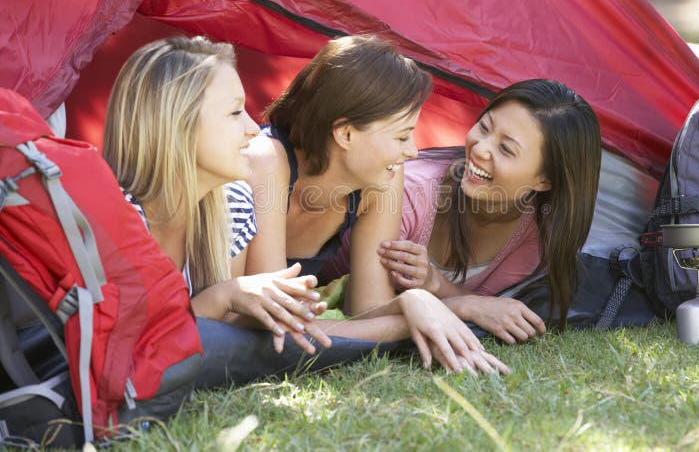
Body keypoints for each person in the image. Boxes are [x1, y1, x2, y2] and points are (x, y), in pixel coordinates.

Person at [104, 35, 505, 382]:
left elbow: (238, 327)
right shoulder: (255, 169)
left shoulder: (229, 209)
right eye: (233, 112)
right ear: (345, 133)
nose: (250, 126)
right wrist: (427, 310)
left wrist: (421, 300)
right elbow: (254, 331)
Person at [237, 35, 507, 374]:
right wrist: (422, 315)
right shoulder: (266, 163)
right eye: (400, 136)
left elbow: (366, 310)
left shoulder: (381, 180)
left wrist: (422, 300)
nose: (411, 151)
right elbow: (278, 328)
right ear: (345, 134)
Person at [324, 79, 602, 342]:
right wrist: (463, 306)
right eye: (484, 127)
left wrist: (437, 285)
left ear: (544, 180)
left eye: (505, 148)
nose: (481, 149)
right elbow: (362, 313)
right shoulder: (409, 192)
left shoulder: (536, 236)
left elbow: (484, 305)